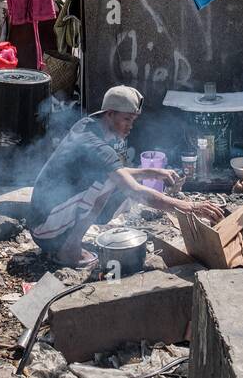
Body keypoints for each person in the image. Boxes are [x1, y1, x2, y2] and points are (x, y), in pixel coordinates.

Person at [29, 85, 224, 266]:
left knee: (112, 182)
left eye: (133, 120)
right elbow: (133, 188)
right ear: (110, 113)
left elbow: (117, 174)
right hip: (45, 228)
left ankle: (69, 243)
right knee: (114, 185)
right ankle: (69, 250)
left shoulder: (89, 125)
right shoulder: (97, 145)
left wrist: (151, 172)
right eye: (126, 119)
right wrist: (189, 207)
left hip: (48, 219)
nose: (130, 126)